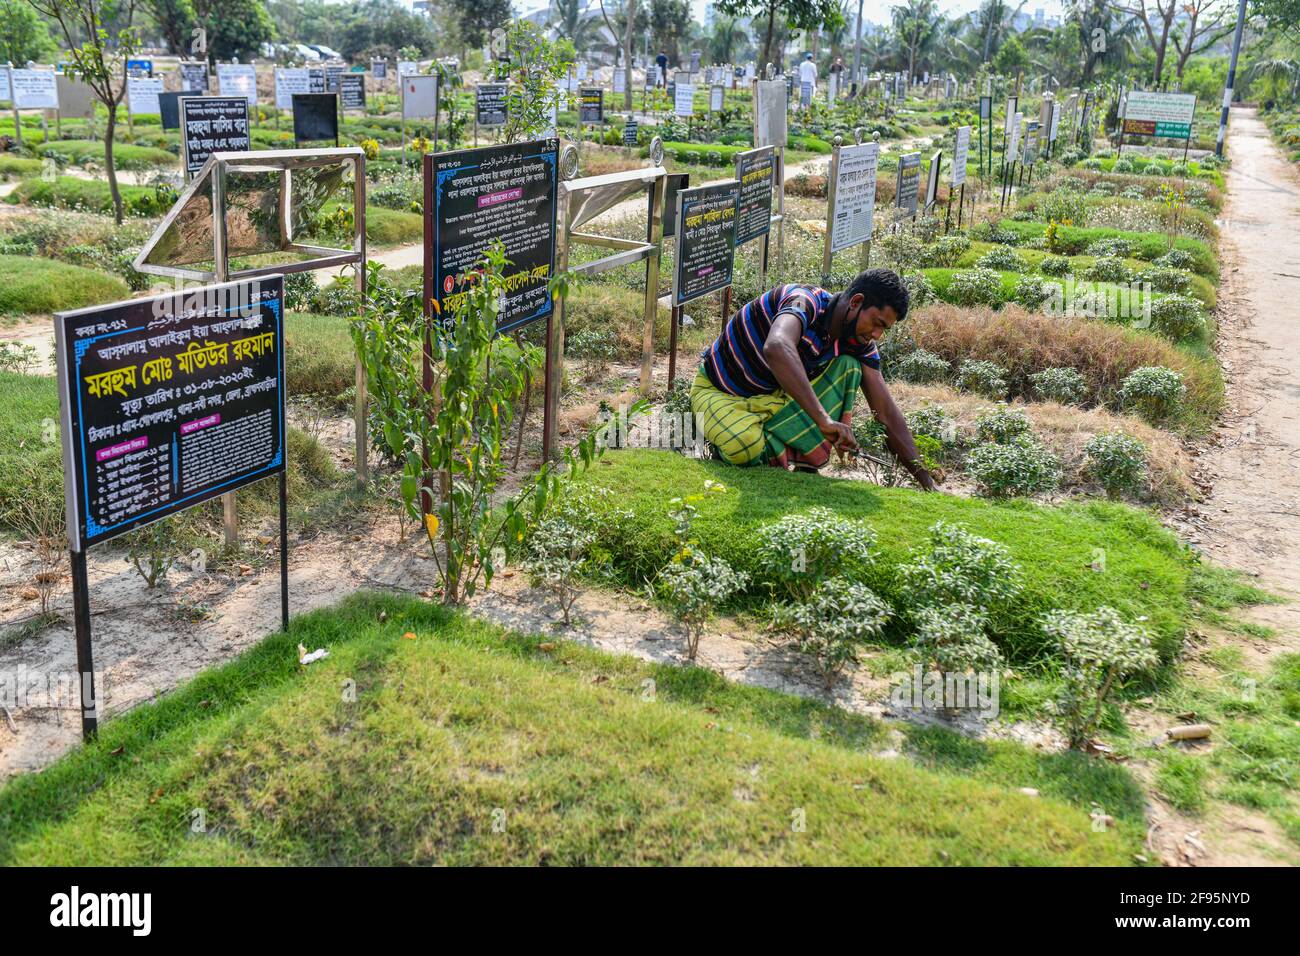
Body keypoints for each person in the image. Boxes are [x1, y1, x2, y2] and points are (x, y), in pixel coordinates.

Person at [690, 270, 937, 490]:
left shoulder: (860, 343)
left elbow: (886, 413)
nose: (876, 335)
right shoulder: (803, 300)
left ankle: (788, 455)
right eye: (876, 323)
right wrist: (824, 420)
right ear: (856, 302)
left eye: (884, 329)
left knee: (850, 367)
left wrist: (926, 482)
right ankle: (772, 448)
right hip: (721, 392)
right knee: (744, 445)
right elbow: (777, 346)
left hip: (773, 399)